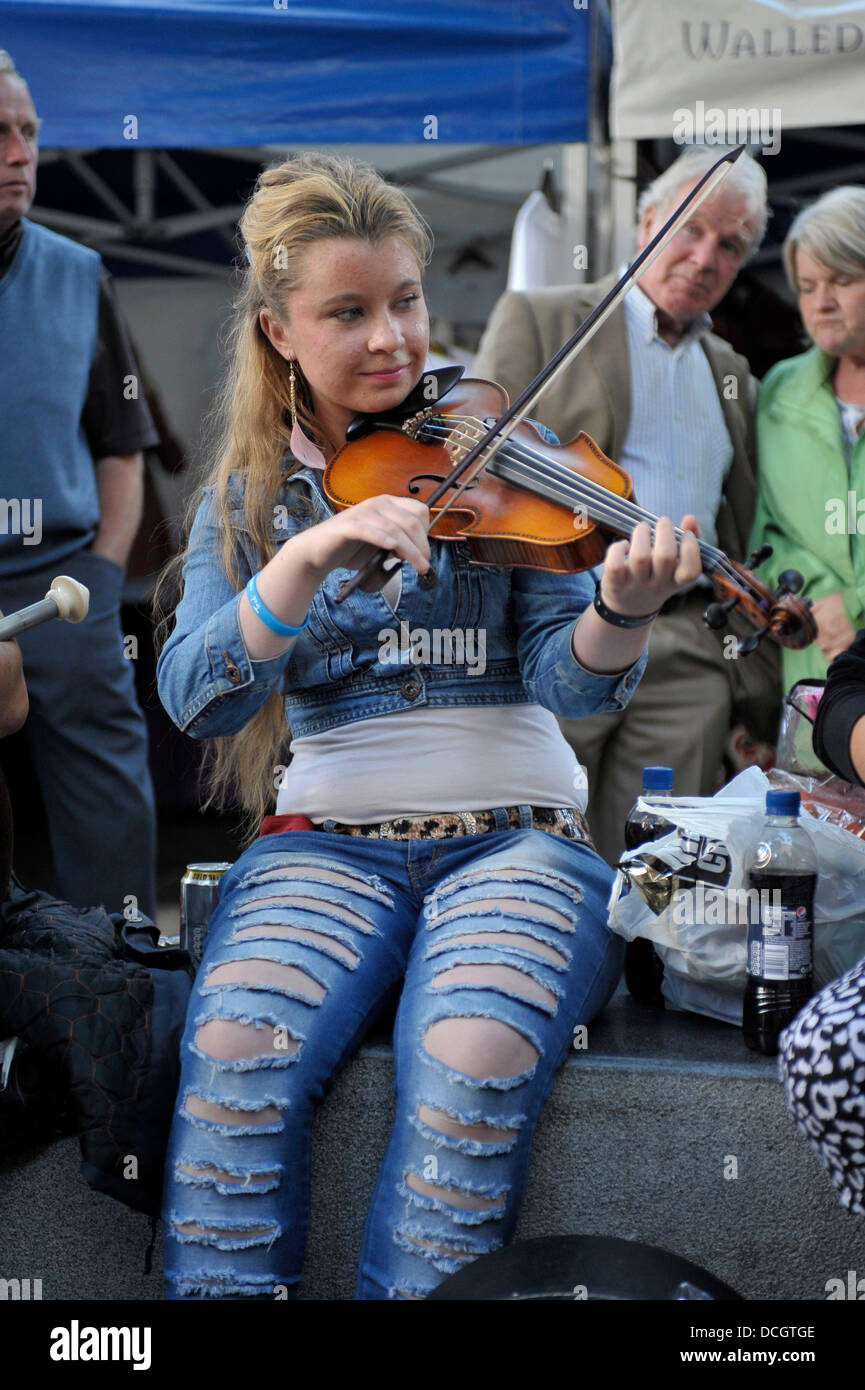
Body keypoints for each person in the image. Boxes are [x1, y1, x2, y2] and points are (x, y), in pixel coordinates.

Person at [154, 151, 703, 1300]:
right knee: (232, 1062)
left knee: (472, 1060)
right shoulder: (250, 502)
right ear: (277, 331)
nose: (393, 337)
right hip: (324, 841)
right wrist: (302, 559)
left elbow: (571, 684)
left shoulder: (497, 450)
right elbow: (199, 694)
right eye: (346, 312)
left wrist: (620, 605)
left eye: (403, 300)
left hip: (517, 834)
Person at [473, 146, 778, 865]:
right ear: (646, 220)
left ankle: (640, 983)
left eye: (728, 246)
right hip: (561, 627)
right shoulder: (544, 319)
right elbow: (475, 466)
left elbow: (734, 524)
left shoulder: (732, 374)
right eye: (689, 228)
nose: (704, 257)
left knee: (653, 874)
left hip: (683, 649)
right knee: (537, 844)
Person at [0, 50, 159, 919]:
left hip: (61, 581)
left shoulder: (76, 272)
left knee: (109, 830)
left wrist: (100, 576)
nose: (21, 151)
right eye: (0, 133)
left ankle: (120, 999)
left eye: (28, 131)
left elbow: (122, 447)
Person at [749, 186, 865, 690]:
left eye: (841, 281)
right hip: (815, 673)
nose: (822, 303)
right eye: (808, 285)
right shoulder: (780, 388)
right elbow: (770, 537)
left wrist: (857, 605)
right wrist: (818, 598)